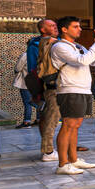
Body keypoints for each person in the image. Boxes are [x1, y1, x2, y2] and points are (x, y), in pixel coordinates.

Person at [47, 16, 95, 176]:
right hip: (70, 89)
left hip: (83, 89)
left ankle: (73, 159)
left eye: (79, 26)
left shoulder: (78, 46)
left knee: (75, 125)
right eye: (75, 26)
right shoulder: (60, 47)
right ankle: (62, 164)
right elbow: (82, 61)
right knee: (68, 125)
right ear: (64, 29)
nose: (80, 29)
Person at [28, 18, 61, 162]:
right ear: (43, 29)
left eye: (55, 25)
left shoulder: (59, 42)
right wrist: (38, 89)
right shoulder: (35, 45)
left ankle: (61, 145)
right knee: (46, 117)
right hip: (47, 85)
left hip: (62, 85)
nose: (55, 27)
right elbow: (34, 68)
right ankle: (48, 149)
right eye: (51, 25)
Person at [12, 51, 35, 128]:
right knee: (36, 101)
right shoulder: (40, 54)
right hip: (36, 83)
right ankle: (39, 119)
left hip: (26, 83)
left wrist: (16, 71)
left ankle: (26, 122)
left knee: (28, 102)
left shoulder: (26, 55)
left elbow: (18, 68)